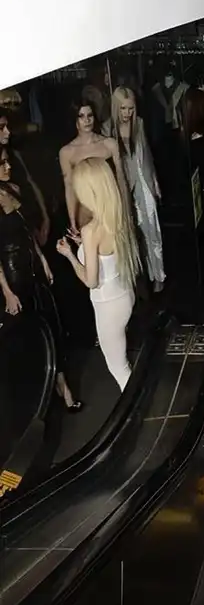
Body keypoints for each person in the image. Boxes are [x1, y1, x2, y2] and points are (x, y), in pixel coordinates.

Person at [0, 148, 81, 410]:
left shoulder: (13, 189)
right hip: (12, 273)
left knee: (51, 323)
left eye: (8, 161)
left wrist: (43, 259)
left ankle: (62, 386)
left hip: (32, 265)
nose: (8, 166)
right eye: (2, 162)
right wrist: (6, 291)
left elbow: (28, 231)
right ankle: (38, 398)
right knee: (26, 334)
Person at [56, 158, 140, 391]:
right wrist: (84, 245)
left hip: (107, 305)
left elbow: (91, 281)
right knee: (122, 362)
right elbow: (107, 255)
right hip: (124, 294)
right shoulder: (116, 217)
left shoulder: (91, 229)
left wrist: (70, 255)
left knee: (118, 368)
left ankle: (137, 407)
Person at [103, 87, 165, 293]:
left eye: (130, 108)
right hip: (123, 187)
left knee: (152, 230)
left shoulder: (139, 123)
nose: (127, 113)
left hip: (143, 182)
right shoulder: (107, 129)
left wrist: (154, 181)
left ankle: (158, 275)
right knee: (131, 233)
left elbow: (147, 154)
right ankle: (138, 278)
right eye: (123, 108)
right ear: (115, 107)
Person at [59, 98, 129, 236]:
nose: (87, 120)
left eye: (90, 115)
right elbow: (69, 187)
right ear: (75, 120)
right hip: (85, 210)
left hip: (110, 206)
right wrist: (72, 220)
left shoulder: (109, 144)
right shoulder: (66, 152)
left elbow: (121, 179)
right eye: (81, 116)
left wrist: (126, 209)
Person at [0, 112, 50, 246]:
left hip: (29, 218)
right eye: (1, 127)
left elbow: (31, 182)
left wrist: (45, 217)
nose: (7, 132)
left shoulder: (13, 154)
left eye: (7, 126)